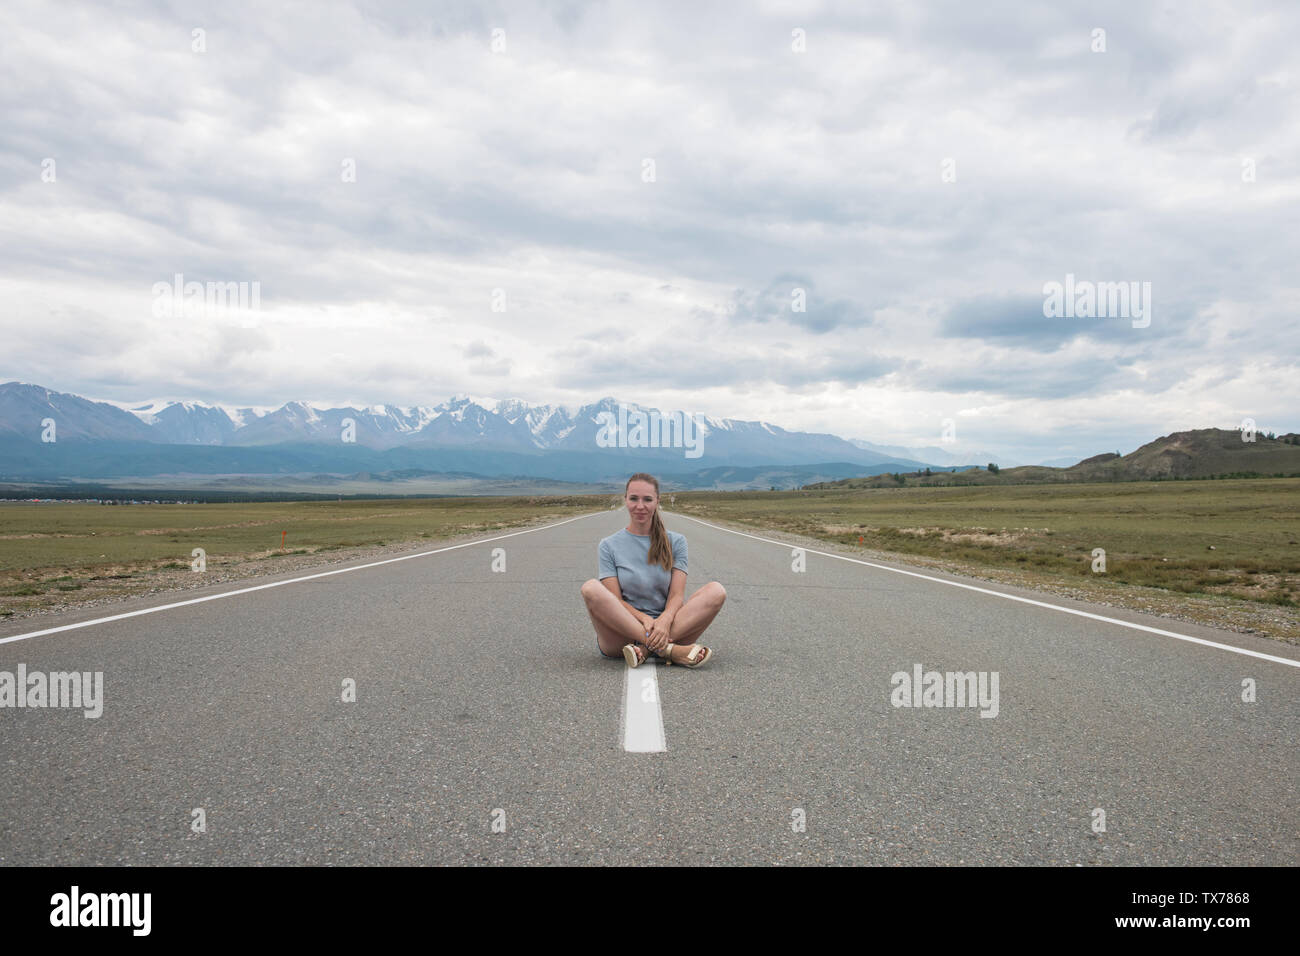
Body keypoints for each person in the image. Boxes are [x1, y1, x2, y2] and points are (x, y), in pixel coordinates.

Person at [580, 472, 726, 668]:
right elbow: (616, 601)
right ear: (626, 500)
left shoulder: (676, 542)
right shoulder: (608, 545)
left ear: (657, 501)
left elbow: (676, 595)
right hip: (620, 635)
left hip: (670, 628)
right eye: (634, 499)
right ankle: (668, 650)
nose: (640, 506)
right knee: (590, 588)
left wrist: (664, 620)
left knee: (717, 591)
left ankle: (646, 649)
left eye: (647, 499)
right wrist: (644, 619)